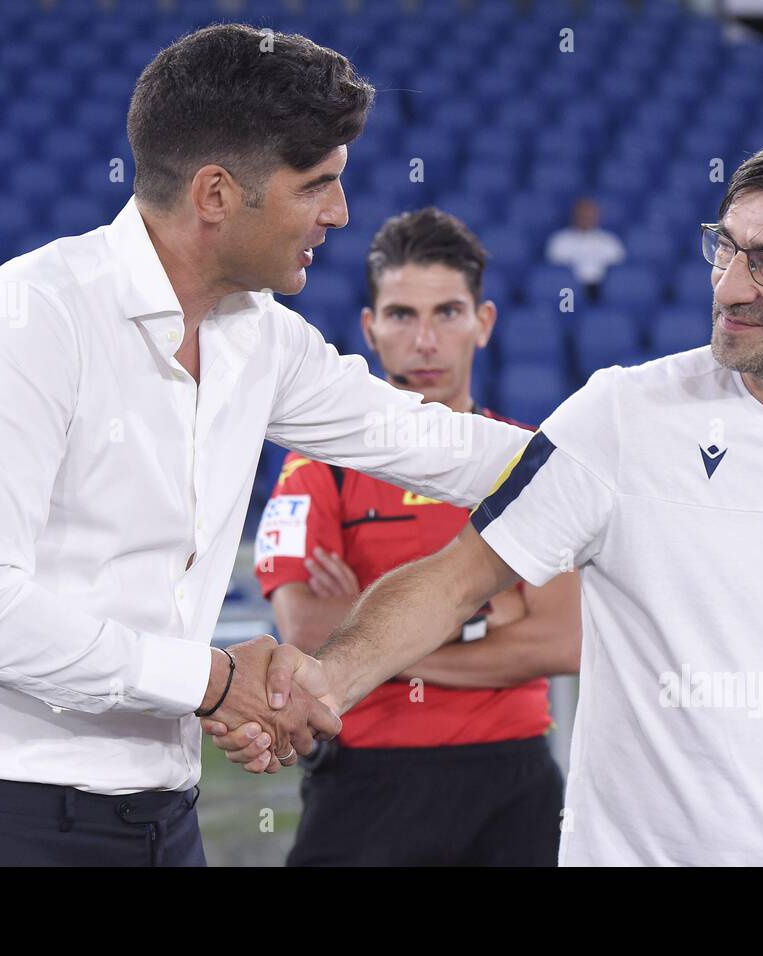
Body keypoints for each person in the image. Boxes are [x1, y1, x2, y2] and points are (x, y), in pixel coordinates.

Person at [224, 134, 763, 867]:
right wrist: (322, 684)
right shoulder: (626, 416)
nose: (729, 285)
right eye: (724, 247)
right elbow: (456, 580)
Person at [0, 23, 531, 868]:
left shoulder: (260, 336)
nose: (339, 213)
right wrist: (215, 681)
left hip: (164, 820)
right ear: (217, 194)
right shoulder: (31, 316)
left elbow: (436, 445)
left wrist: (638, 442)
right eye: (318, 185)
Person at [246, 208, 580, 865]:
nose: (425, 340)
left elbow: (562, 641)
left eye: (447, 313)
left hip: (515, 784)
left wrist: (373, 629)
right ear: (370, 329)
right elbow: (307, 631)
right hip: (369, 779)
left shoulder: (529, 460)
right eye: (401, 314)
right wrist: (488, 617)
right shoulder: (317, 467)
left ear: (482, 323)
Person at [545, 197, 625, 301]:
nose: (585, 217)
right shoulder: (559, 241)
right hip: (568, 292)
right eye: (582, 214)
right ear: (574, 215)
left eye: (589, 214)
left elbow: (618, 273)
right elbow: (556, 274)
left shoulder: (610, 241)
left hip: (601, 289)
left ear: (597, 215)